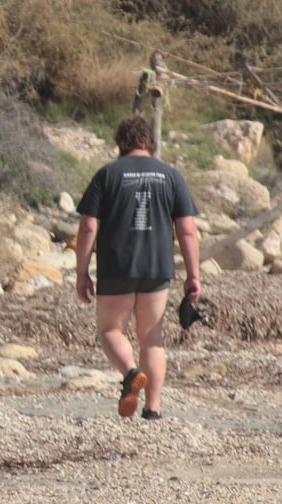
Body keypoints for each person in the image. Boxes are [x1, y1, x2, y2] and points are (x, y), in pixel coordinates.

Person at [75, 113, 201, 420]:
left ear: (120, 142)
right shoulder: (171, 176)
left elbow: (89, 226)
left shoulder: (107, 175)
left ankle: (131, 373)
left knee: (110, 330)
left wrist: (82, 271)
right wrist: (193, 275)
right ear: (151, 142)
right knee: (152, 338)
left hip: (116, 266)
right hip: (157, 268)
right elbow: (187, 231)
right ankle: (152, 410)